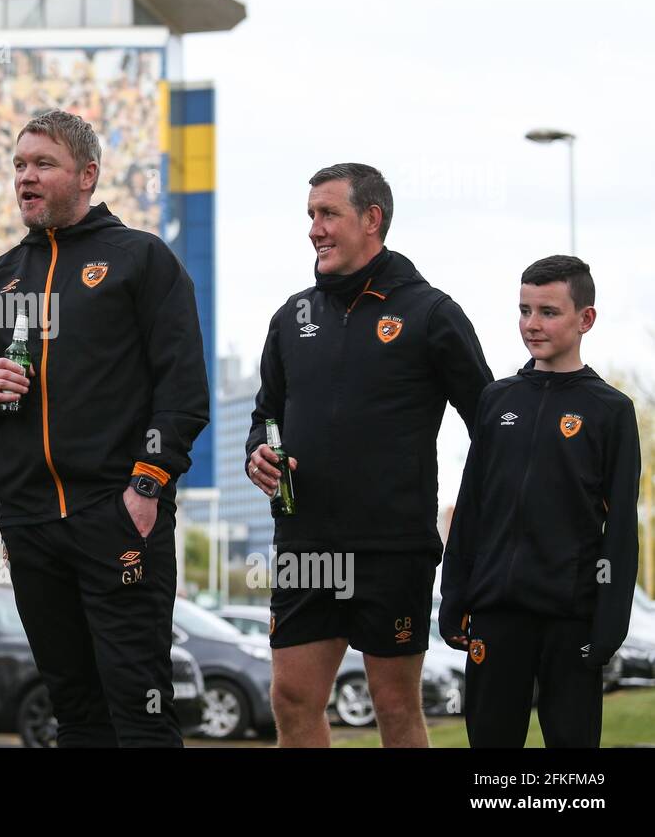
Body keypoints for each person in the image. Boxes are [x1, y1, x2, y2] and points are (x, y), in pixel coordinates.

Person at [0, 109, 209, 747]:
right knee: (75, 712)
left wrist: (146, 487)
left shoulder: (141, 259)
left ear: (87, 174)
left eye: (43, 164)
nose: (26, 178)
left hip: (116, 513)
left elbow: (183, 391)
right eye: (19, 165)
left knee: (140, 708)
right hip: (30, 523)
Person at [246, 162, 491, 747]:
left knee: (395, 704)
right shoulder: (291, 316)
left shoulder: (430, 311)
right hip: (305, 544)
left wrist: (479, 518)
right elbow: (266, 415)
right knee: (293, 698)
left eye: (328, 213)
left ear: (371, 219)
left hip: (392, 548)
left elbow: (491, 422)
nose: (314, 228)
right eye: (310, 215)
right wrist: (259, 452)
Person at [439, 255, 640, 747]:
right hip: (496, 615)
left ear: (585, 318)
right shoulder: (497, 400)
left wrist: (609, 624)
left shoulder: (611, 410)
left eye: (548, 312)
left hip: (569, 621)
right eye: (524, 310)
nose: (532, 324)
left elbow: (619, 532)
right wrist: (454, 597)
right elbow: (472, 507)